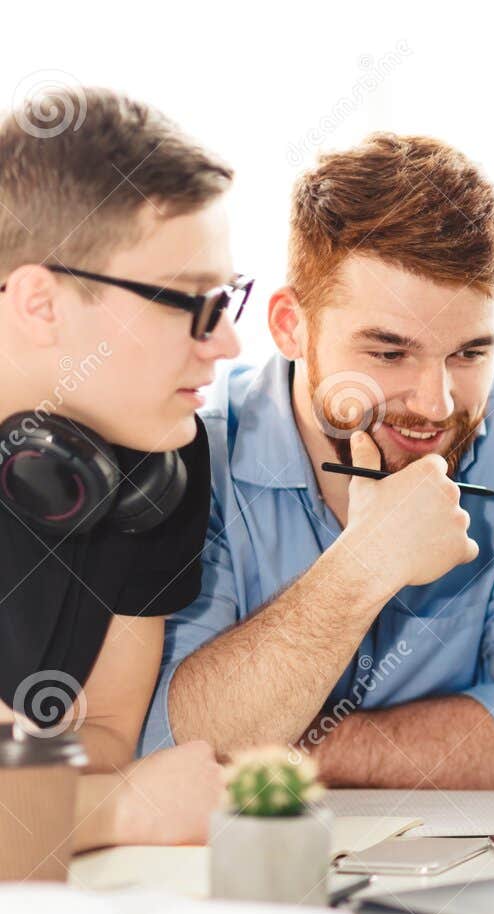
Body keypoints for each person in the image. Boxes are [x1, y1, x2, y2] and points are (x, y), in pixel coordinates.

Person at [140, 133, 494, 792]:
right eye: (390, 353)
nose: (436, 404)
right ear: (290, 326)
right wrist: (365, 566)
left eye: (469, 353)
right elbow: (160, 740)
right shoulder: (190, 453)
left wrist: (279, 743)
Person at [0, 86, 237, 847]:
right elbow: (106, 776)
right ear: (41, 304)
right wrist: (123, 810)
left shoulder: (157, 460)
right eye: (187, 302)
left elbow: (105, 732)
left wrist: (25, 781)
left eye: (225, 299)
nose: (226, 342)